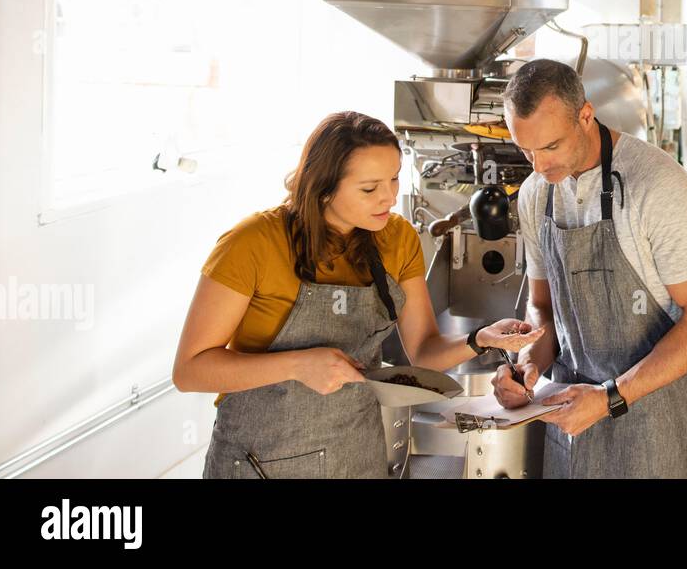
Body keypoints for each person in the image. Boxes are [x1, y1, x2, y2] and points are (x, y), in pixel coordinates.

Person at [173, 111, 541, 478]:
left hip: (357, 455)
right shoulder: (252, 243)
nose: (389, 198)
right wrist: (297, 365)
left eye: (395, 179)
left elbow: (424, 352)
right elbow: (190, 371)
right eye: (369, 188)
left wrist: (481, 339)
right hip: (261, 460)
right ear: (324, 187)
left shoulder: (396, 239)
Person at [492, 59, 687, 478]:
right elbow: (543, 308)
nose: (539, 166)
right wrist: (527, 365)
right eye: (525, 150)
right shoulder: (534, 195)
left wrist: (609, 398)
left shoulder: (657, 187)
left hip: (655, 422)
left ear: (586, 115)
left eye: (551, 147)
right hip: (571, 416)